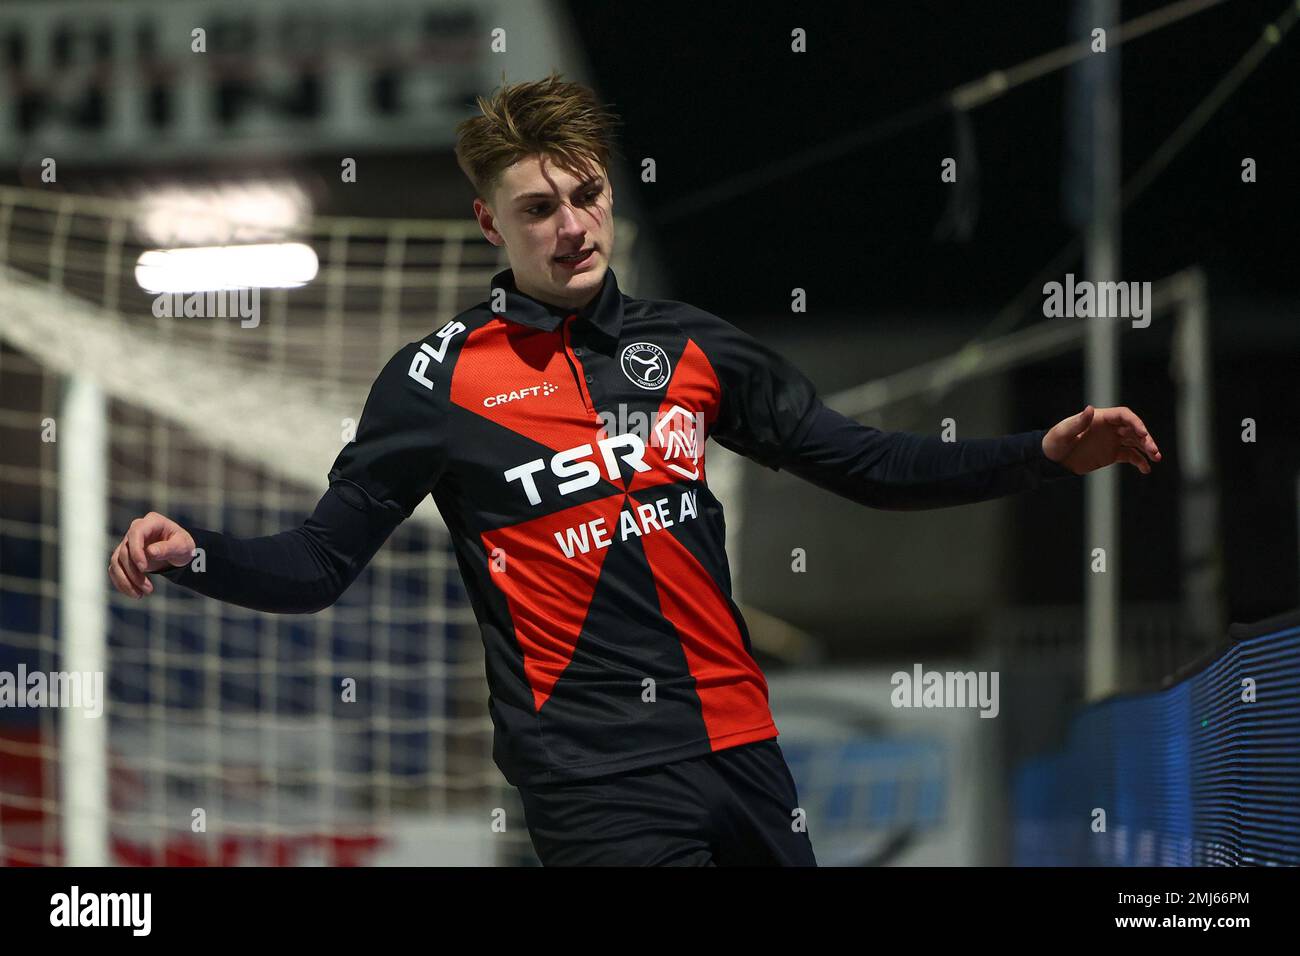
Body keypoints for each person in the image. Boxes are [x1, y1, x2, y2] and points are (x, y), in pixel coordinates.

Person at [109, 72, 1161, 866]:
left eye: (587, 193)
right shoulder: (432, 382)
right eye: (538, 207)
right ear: (490, 223)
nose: (571, 225)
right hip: (592, 779)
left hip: (743, 747)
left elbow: (864, 462)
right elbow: (317, 564)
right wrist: (197, 551)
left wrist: (1041, 454)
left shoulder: (693, 344)